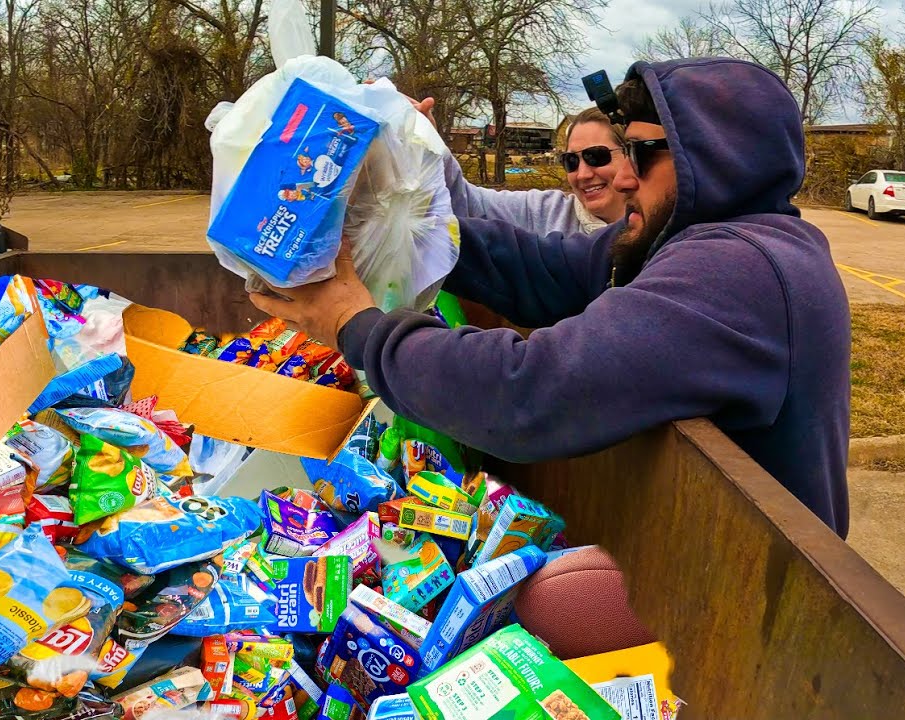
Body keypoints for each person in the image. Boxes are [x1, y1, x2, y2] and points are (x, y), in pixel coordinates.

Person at [249, 58, 852, 537]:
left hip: (752, 605)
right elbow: (540, 268)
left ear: (717, 160)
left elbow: (527, 390)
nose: (620, 177)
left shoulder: (739, 269)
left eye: (640, 154)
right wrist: (391, 211)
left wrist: (354, 324)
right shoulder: (688, 242)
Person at [418, 102, 628, 232]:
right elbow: (468, 202)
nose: (582, 174)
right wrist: (428, 145)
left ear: (632, 156)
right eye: (571, 161)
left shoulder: (657, 236)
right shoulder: (548, 213)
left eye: (596, 157)